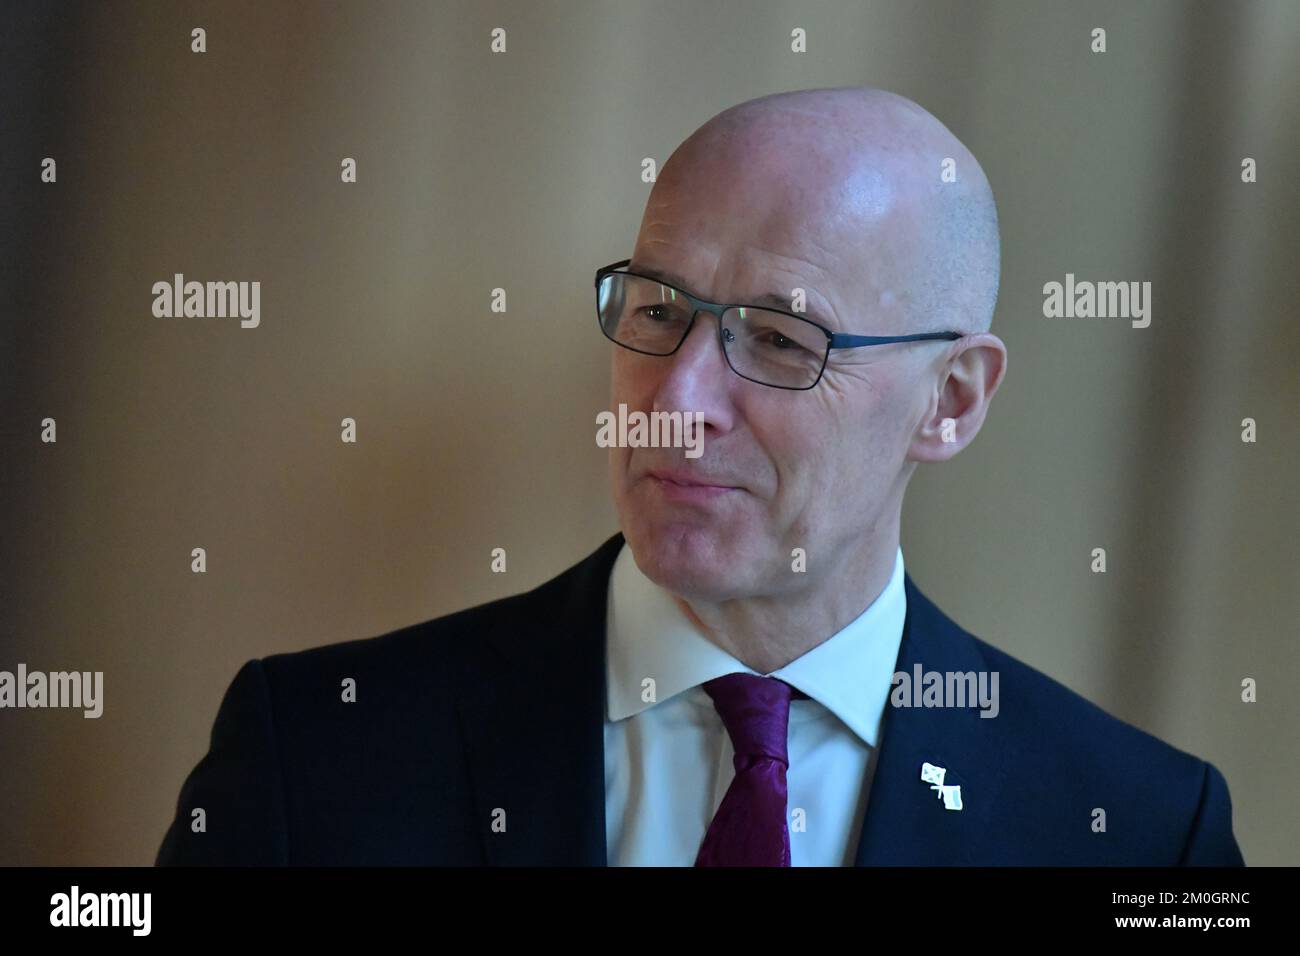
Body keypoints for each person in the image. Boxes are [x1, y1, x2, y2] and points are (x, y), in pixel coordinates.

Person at [157, 86, 1244, 866]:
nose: (674, 404)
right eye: (658, 310)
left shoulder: (1140, 827)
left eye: (779, 339)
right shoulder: (317, 749)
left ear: (950, 399)